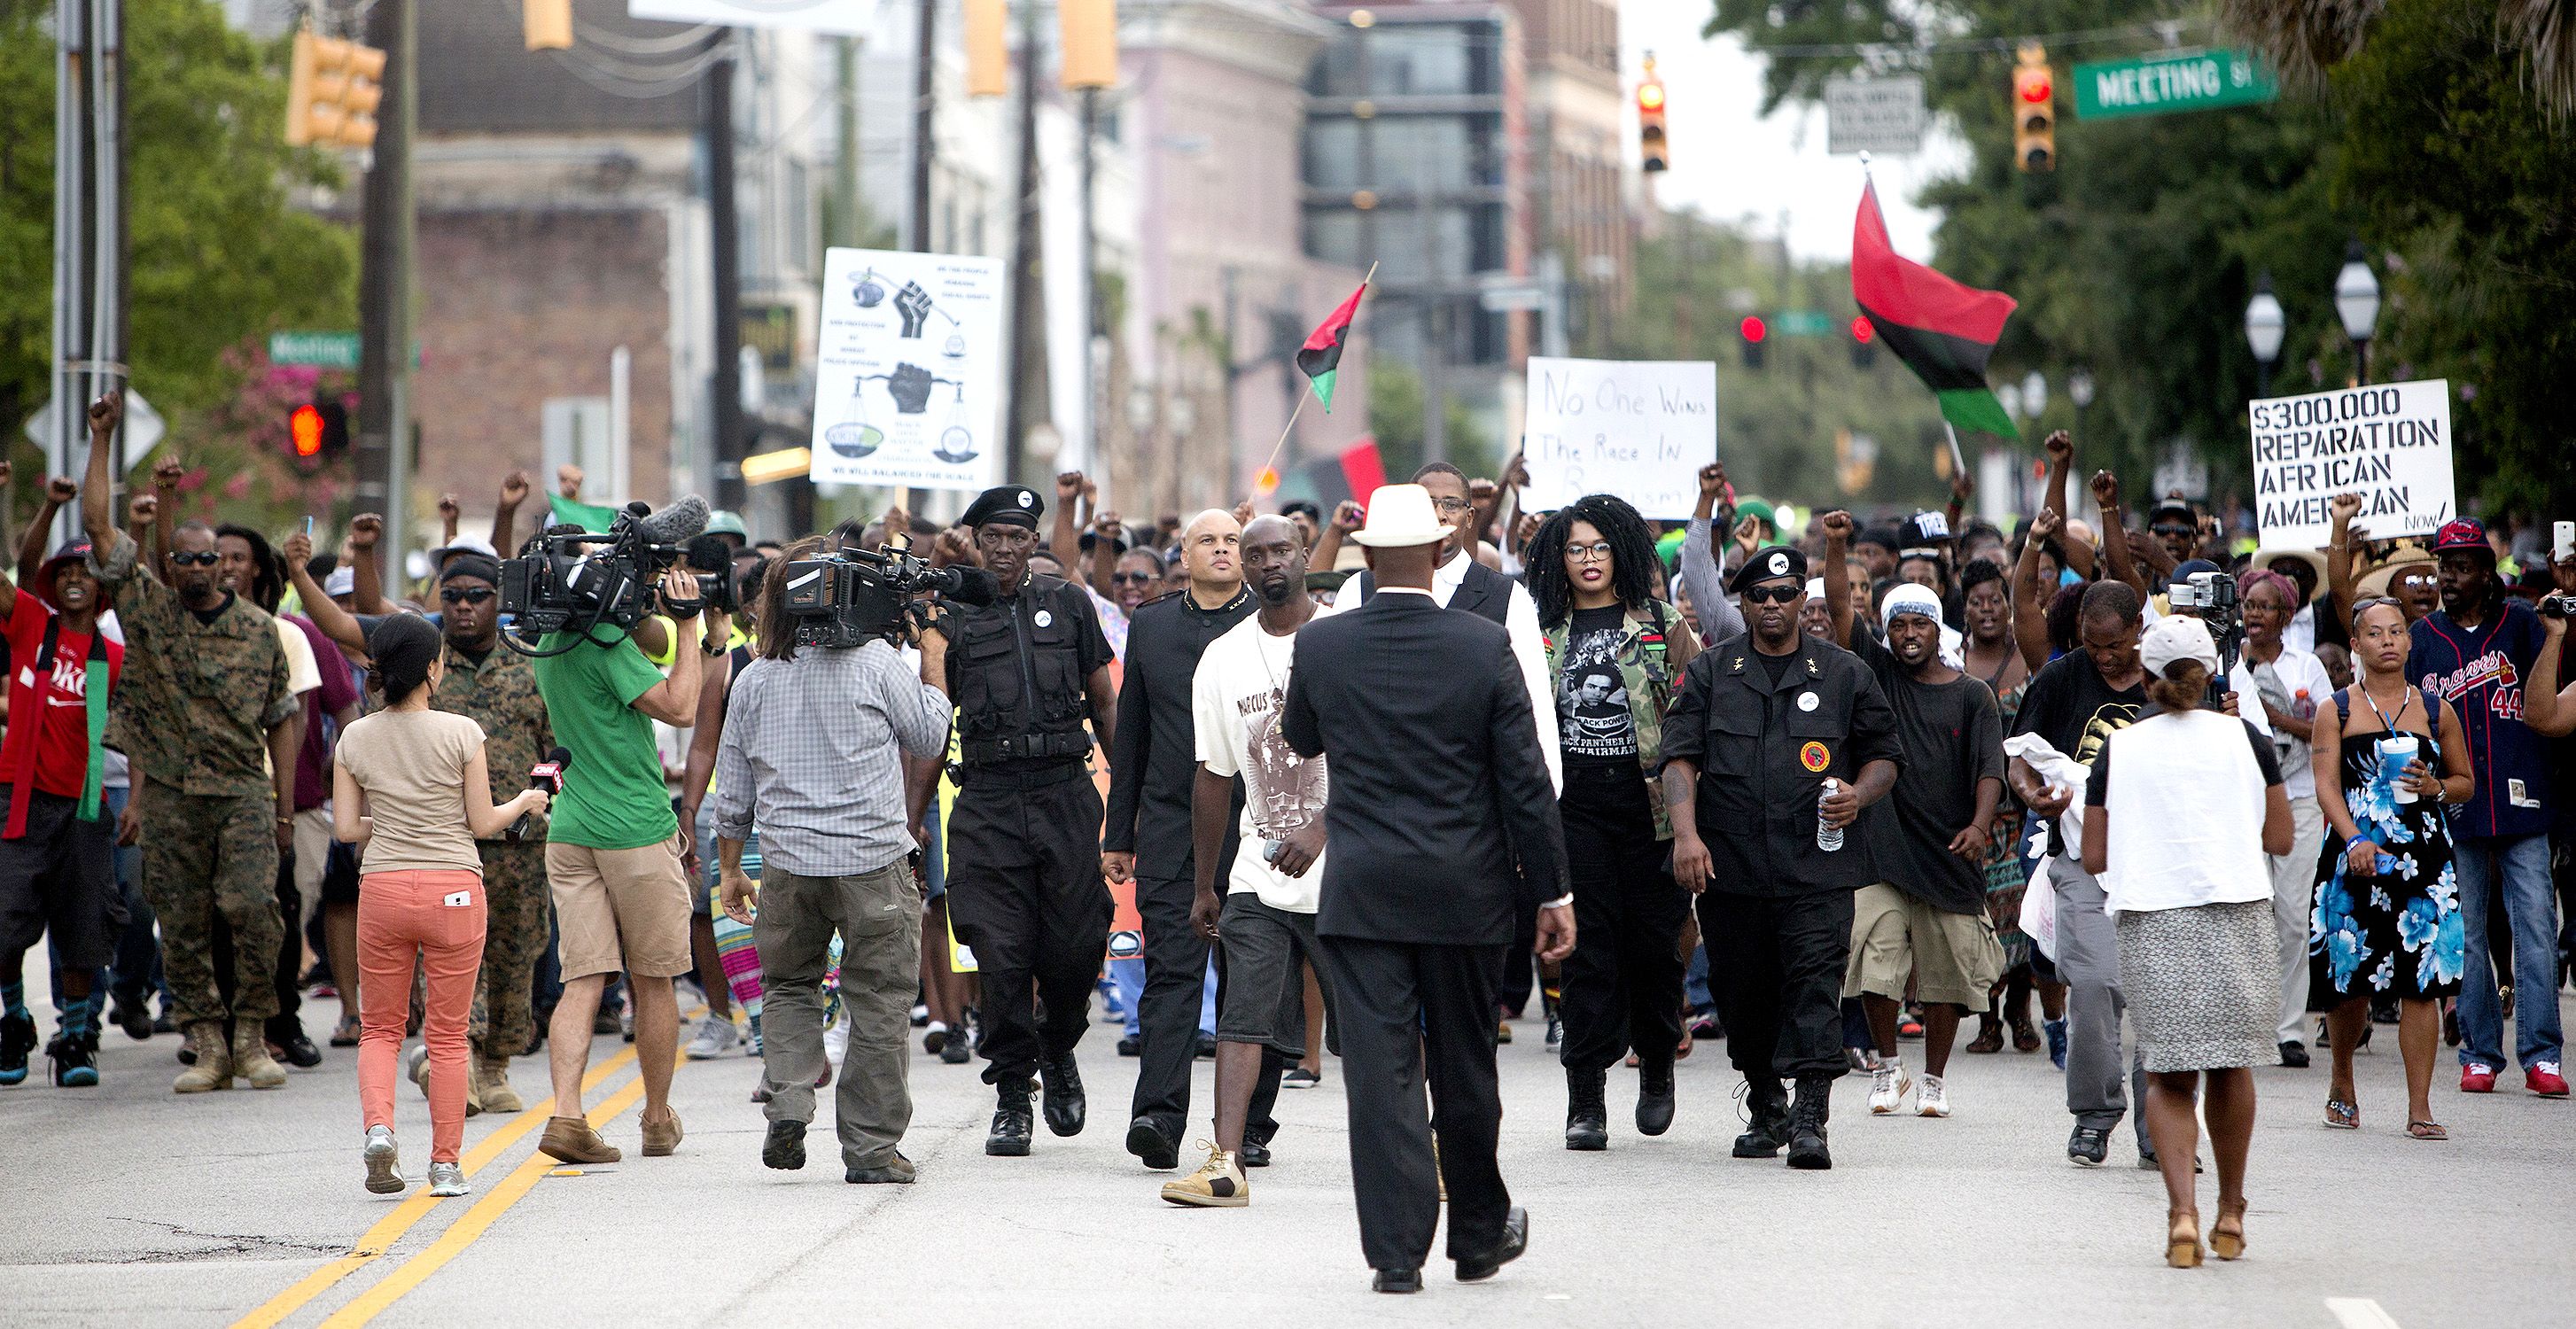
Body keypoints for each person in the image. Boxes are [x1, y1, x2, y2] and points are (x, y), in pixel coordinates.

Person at [1280, 485, 1573, 1293]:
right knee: (1464, 1068)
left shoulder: (1322, 643)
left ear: (1368, 557)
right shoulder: (1483, 644)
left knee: (1379, 1079)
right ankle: (1476, 1235)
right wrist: (1553, 893)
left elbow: (1301, 737)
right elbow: (1525, 784)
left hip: (1363, 891)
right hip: (1464, 891)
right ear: (1443, 551)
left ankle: (1395, 1255)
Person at [713, 535, 954, 1185]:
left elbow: (732, 788)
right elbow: (930, 734)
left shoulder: (754, 677)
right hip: (873, 861)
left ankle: (790, 1102)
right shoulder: (877, 663)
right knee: (877, 1002)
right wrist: (932, 655)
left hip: (788, 864)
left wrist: (731, 867)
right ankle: (871, 1151)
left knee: (789, 986)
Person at [78, 395, 300, 1094]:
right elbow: (97, 526)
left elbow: (281, 717)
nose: (202, 568)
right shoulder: (149, 613)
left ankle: (251, 1035)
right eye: (188, 559)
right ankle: (206, 1041)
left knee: (252, 908)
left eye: (211, 559)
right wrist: (101, 438)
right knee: (181, 919)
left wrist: (284, 810)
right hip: (173, 795)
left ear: (226, 568)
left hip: (241, 793)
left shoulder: (259, 631)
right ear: (171, 566)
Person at [1663, 543, 1900, 1171]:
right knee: (1742, 992)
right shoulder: (1711, 672)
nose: (1772, 604)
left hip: (1817, 867)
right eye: (1759, 595)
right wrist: (1685, 837)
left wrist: (1859, 794)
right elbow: (1678, 759)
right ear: (1742, 604)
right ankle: (1766, 1104)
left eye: (1785, 593)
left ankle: (1810, 1118)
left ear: (1802, 600)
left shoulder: (1844, 673)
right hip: (1732, 867)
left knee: (1815, 983)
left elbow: (1884, 755)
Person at [2079, 615, 2293, 1268]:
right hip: (2237, 912)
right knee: (2230, 1067)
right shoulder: (2246, 739)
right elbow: (2280, 838)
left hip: (2153, 919)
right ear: (2211, 674)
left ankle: (2181, 1217)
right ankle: (2230, 1210)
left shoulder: (2119, 748)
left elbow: (2094, 855)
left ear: (2143, 676)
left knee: (2168, 1076)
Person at [334, 614, 553, 1197]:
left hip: (384, 889)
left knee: (380, 1029)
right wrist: (524, 802)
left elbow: (347, 830)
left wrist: (396, 822)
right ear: (433, 668)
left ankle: (380, 1130)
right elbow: (482, 822)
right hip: (453, 888)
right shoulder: (462, 732)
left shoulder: (354, 737)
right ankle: (446, 1165)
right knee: (449, 1036)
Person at [943, 485, 1119, 1156]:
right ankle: (1013, 1092)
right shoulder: (951, 616)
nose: (1005, 549)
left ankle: (1058, 1042)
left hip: (1063, 794)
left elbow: (1104, 703)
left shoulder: (1068, 603)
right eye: (992, 537)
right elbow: (932, 719)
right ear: (975, 543)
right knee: (1000, 952)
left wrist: (1129, 799)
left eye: (1017, 537)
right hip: (987, 800)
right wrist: (909, 818)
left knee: (1077, 947)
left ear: (1034, 542)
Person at [1161, 516, 1331, 1206]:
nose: (1267, 563)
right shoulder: (1223, 657)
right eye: (1254, 554)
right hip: (1256, 878)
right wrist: (1206, 884)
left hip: (1348, 875)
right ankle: (1224, 1164)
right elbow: (1213, 775)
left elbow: (1382, 754)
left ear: (1304, 554)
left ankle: (1424, 1151)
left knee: (1378, 1022)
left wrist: (1323, 829)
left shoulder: (1341, 637)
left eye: (1279, 550)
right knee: (1241, 1017)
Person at [529, 537, 715, 1163]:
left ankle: (567, 1115)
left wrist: (657, 616)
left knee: (582, 979)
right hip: (634, 828)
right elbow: (681, 707)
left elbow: (644, 640)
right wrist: (688, 627)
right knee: (654, 980)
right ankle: (657, 1119)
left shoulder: (551, 642)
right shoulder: (605, 645)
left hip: (571, 828)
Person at [1523, 494, 1699, 1150]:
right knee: (1587, 950)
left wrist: (1692, 820)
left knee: (1654, 948)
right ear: (1558, 558)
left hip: (1651, 809)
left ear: (1621, 551)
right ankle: (1585, 1096)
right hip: (1574, 811)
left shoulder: (1660, 622)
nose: (1589, 559)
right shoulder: (1541, 630)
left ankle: (1656, 1063)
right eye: (1575, 549)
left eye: (1599, 547)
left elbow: (1693, 714)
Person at [1819, 513, 2006, 1118]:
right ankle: (1887, 1068)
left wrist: (1979, 826)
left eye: (1918, 623)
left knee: (1946, 976)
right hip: (1881, 850)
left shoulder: (1972, 694)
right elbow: (1840, 609)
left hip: (1948, 853)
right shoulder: (1876, 674)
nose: (1907, 634)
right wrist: (1836, 545)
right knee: (1873, 963)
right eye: (1897, 624)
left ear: (1936, 628)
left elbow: (1990, 768)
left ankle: (1932, 1079)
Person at [1102, 509, 1255, 1170]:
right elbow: (1131, 735)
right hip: (1169, 828)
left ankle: (1250, 1124)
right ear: (1183, 557)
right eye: (1207, 542)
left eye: (1232, 541)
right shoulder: (1153, 625)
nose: (1222, 550)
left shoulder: (1269, 623)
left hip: (1255, 829)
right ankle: (1158, 1119)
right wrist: (1118, 833)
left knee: (1252, 981)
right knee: (1171, 975)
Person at [2409, 518, 2566, 1097]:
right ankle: (2478, 1053)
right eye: (2443, 566)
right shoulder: (2422, 637)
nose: (2448, 577)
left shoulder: (2522, 624)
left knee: (2535, 929)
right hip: (2456, 807)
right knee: (2467, 933)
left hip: (2523, 798)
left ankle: (2542, 1055)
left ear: (2484, 571)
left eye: (2460, 566)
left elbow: (2551, 695)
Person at [2310, 597, 2471, 1139]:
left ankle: (2419, 1107)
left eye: (2397, 632)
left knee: (2423, 982)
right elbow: (2326, 786)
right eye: (2375, 633)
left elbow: (2465, 782)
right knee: (2350, 978)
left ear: (2409, 641)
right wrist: (2353, 837)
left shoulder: (2435, 709)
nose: (2387, 641)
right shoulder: (2336, 709)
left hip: (2424, 858)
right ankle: (2342, 1080)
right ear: (2355, 644)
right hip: (2354, 853)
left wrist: (2436, 786)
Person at [2008, 579, 2152, 1166]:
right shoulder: (2060, 677)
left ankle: (2160, 1128)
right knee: (2091, 984)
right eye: (2092, 645)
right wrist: (2032, 794)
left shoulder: (2170, 678)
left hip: (2157, 862)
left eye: (2114, 645)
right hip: (2080, 856)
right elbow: (2018, 755)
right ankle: (2094, 1114)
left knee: (2158, 996)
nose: (2103, 657)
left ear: (2138, 629)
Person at [0, 524, 125, 1088]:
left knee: (84, 925)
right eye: (65, 572)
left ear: (102, 589)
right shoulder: (31, 625)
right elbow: (15, 574)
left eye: (86, 572)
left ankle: (75, 1038)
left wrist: (137, 801)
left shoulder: (114, 656)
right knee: (5, 923)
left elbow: (139, 731)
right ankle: (14, 1021)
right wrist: (48, 506)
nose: (75, 579)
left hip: (85, 804)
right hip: (19, 798)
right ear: (53, 586)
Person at [2236, 568, 2338, 1068]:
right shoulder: (2228, 665)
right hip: (2243, 803)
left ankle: (2288, 1030)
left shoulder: (2307, 666)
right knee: (2250, 914)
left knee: (2294, 917)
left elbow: (2328, 727)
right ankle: (2249, 1024)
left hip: (2298, 801)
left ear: (2286, 615)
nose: (2255, 613)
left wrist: (2278, 719)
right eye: (2249, 604)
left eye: (2266, 606)